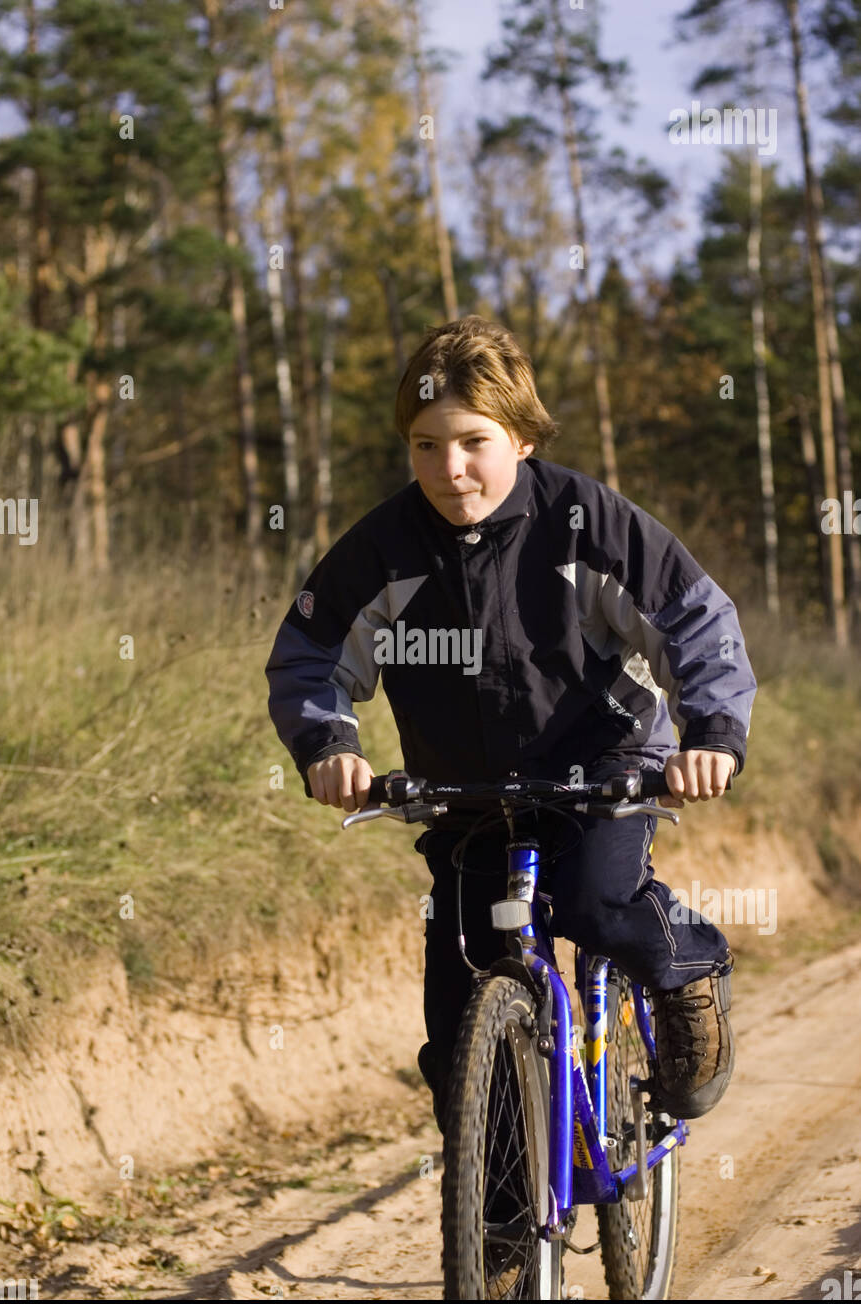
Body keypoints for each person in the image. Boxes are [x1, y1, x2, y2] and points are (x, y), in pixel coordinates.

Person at [265, 316, 757, 1132]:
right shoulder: (384, 547)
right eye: (425, 444)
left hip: (604, 771)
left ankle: (687, 968)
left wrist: (711, 735)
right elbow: (308, 657)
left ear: (523, 438)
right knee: (457, 1021)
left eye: (472, 442)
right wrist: (328, 744)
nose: (449, 469)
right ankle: (495, 1235)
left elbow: (695, 623)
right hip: (466, 795)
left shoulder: (587, 522)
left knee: (597, 905)